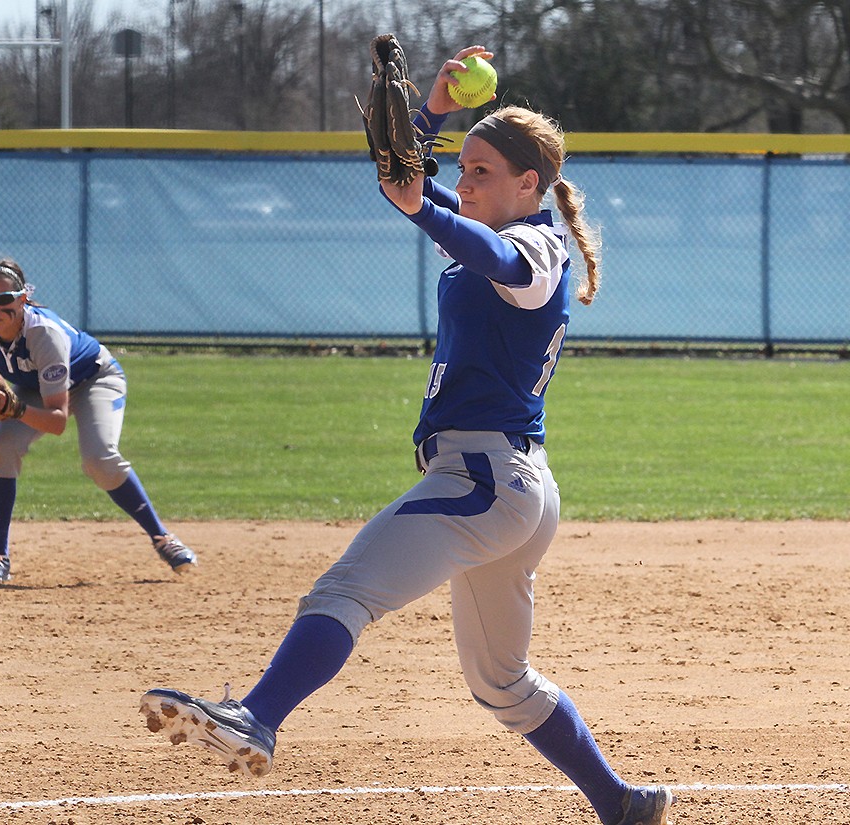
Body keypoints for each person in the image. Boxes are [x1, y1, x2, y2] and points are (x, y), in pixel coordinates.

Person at [139, 45, 672, 825]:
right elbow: (407, 182)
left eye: (483, 171)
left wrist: (425, 206)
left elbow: (470, 238)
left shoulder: (537, 247)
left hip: (484, 481)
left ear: (531, 185)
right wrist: (433, 113)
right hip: (508, 485)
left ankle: (257, 715)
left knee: (343, 592)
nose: (465, 180)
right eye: (465, 168)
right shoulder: (483, 233)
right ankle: (620, 802)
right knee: (502, 681)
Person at [0, 258, 197, 584]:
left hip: (94, 380)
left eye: (4, 300)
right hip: (33, 389)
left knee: (99, 458)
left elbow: (56, 422)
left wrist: (14, 411)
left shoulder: (44, 335)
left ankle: (163, 538)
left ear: (23, 298)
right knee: (1, 448)